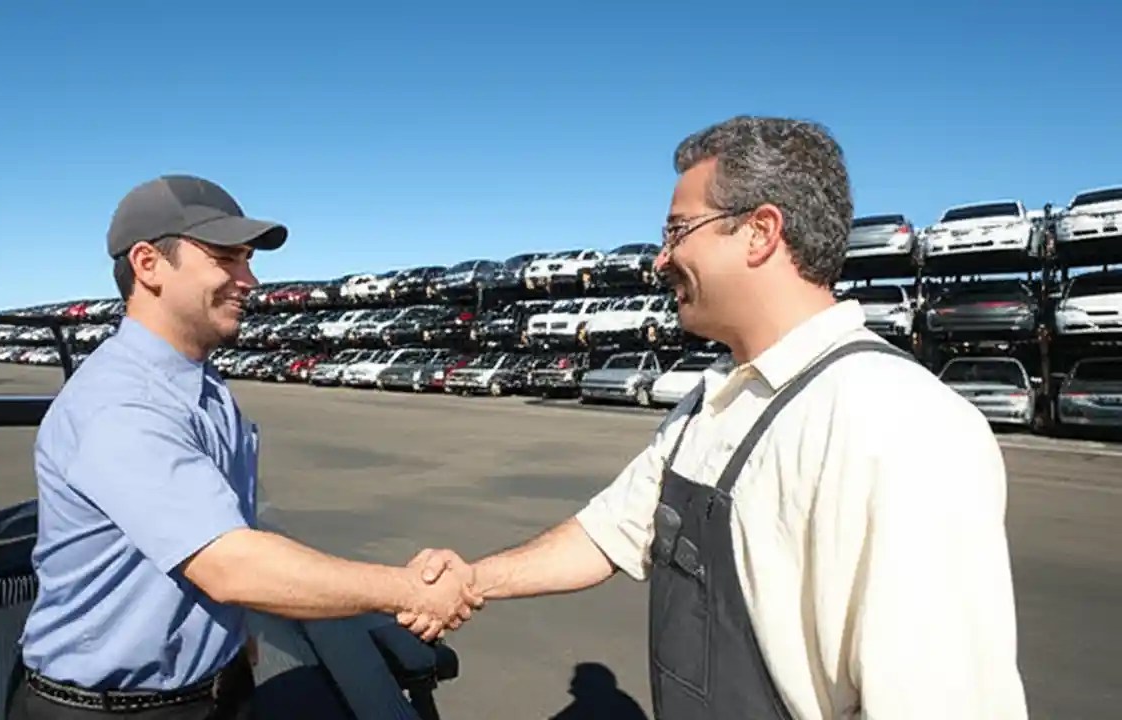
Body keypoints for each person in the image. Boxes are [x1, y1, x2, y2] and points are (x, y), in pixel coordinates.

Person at [409, 117, 1028, 719]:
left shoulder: (898, 420)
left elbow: (945, 697)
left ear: (760, 232)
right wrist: (473, 578)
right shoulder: (711, 401)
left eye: (678, 231)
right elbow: (606, 534)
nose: (659, 260)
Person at [9, 175, 482, 720]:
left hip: (218, 687)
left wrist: (231, 638)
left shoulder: (201, 387)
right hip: (118, 709)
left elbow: (230, 530)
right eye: (226, 258)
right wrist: (408, 591)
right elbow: (231, 564)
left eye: (249, 260)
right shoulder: (123, 404)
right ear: (147, 264)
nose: (249, 279)